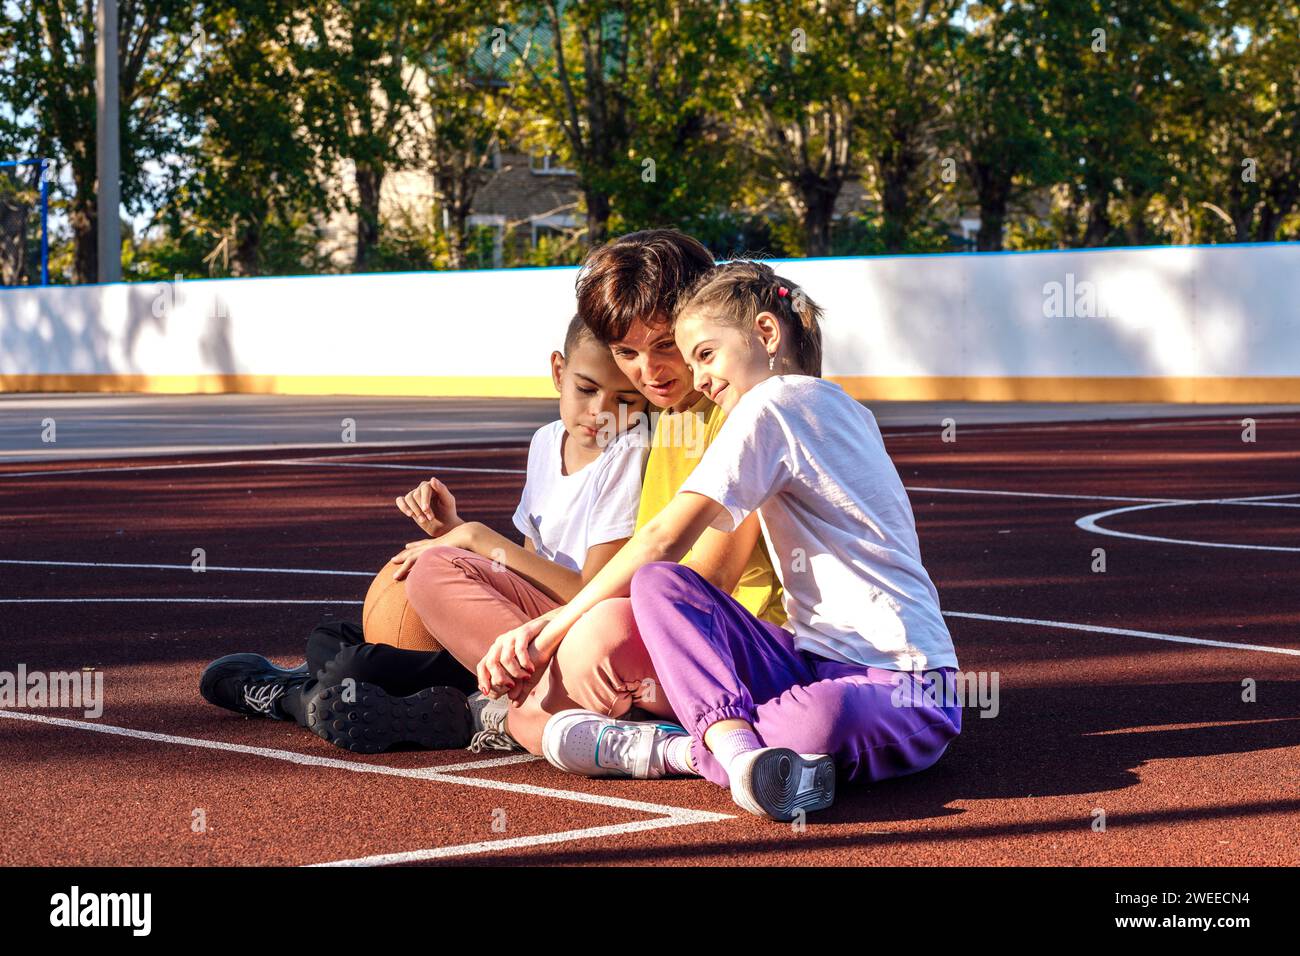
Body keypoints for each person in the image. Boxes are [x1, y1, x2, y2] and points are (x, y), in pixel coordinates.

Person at [476, 261, 962, 822]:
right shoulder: (837, 406)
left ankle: (677, 750)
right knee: (663, 587)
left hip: (906, 682)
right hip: (809, 661)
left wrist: (550, 626)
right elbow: (669, 562)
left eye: (705, 354)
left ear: (767, 333)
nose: (699, 378)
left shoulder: (774, 403)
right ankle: (739, 753)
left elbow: (664, 536)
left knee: (816, 722)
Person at [198, 314, 650, 753]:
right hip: (523, 631)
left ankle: (295, 696)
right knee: (330, 638)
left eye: (626, 400)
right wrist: (452, 530)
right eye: (586, 389)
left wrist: (472, 537)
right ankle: (336, 691)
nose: (601, 412)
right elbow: (530, 567)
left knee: (361, 657)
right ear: (557, 370)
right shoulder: (547, 441)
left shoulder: (630, 451)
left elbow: (589, 591)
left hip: (568, 636)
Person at [412, 229, 788, 753]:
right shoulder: (654, 409)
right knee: (436, 569)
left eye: (665, 346)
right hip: (634, 623)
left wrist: (550, 629)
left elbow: (704, 583)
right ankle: (539, 707)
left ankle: (534, 714)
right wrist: (470, 541)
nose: (649, 372)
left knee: (601, 631)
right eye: (627, 352)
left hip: (720, 638)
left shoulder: (737, 412)